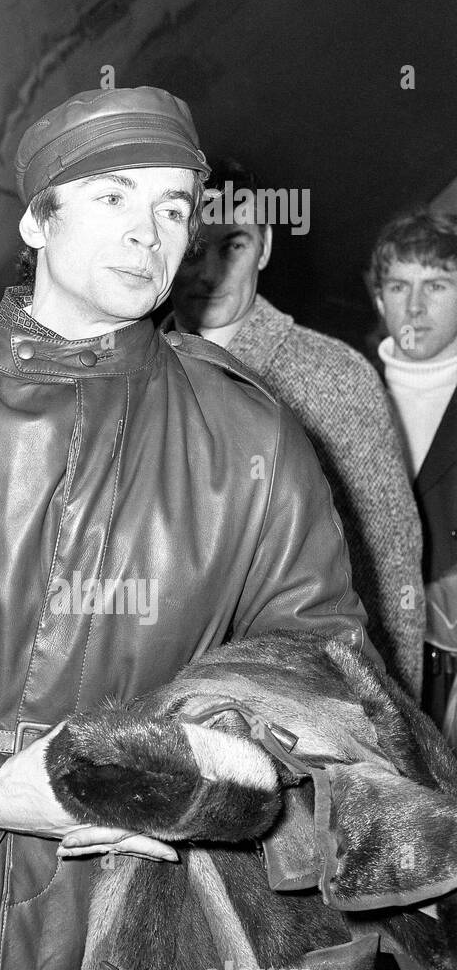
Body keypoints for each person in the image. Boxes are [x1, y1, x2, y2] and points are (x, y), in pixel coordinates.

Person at [0, 87, 371, 970]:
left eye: (173, 207)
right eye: (113, 196)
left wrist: (192, 769)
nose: (149, 232)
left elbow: (322, 659)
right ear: (35, 221)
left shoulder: (256, 436)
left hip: (155, 909)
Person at [168, 157, 424, 693]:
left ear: (264, 245)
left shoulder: (334, 375)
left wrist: (397, 723)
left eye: (232, 246)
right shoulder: (130, 373)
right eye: (194, 249)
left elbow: (389, 562)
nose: (209, 274)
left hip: (300, 705)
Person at [370, 208, 457, 742]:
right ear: (380, 299)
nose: (416, 306)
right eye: (400, 286)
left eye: (438, 285)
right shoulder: (343, 391)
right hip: (375, 668)